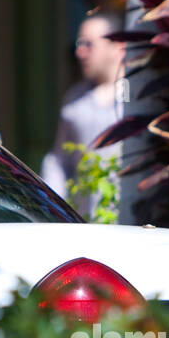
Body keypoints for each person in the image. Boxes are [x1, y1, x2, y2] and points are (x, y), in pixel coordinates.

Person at [40, 12, 127, 218]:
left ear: (118, 47)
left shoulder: (138, 98)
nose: (80, 52)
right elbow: (58, 161)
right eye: (79, 44)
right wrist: (53, 210)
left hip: (132, 223)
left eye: (89, 44)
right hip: (86, 222)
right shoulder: (75, 99)